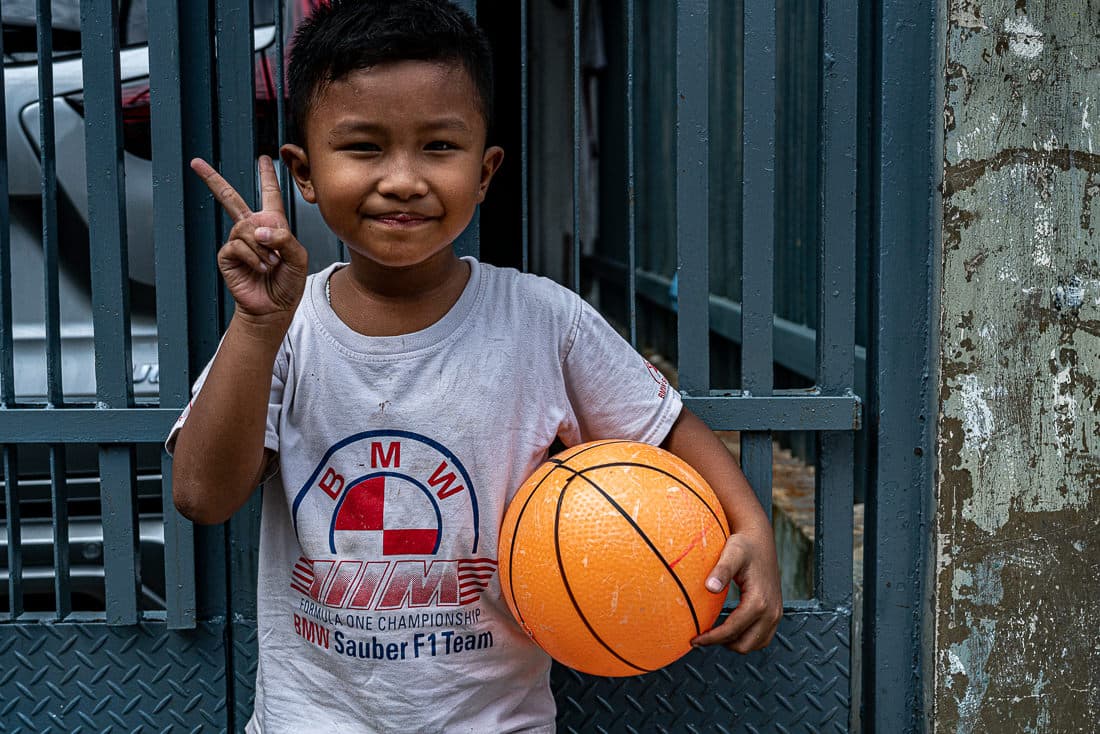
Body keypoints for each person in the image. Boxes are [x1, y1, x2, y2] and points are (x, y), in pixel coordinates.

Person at [168, 1, 781, 731]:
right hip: (314, 717)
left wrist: (754, 530)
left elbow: (667, 429)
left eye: (438, 147)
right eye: (363, 148)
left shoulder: (544, 321)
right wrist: (257, 324)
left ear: (485, 171)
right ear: (304, 172)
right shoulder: (285, 328)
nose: (403, 179)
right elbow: (201, 496)